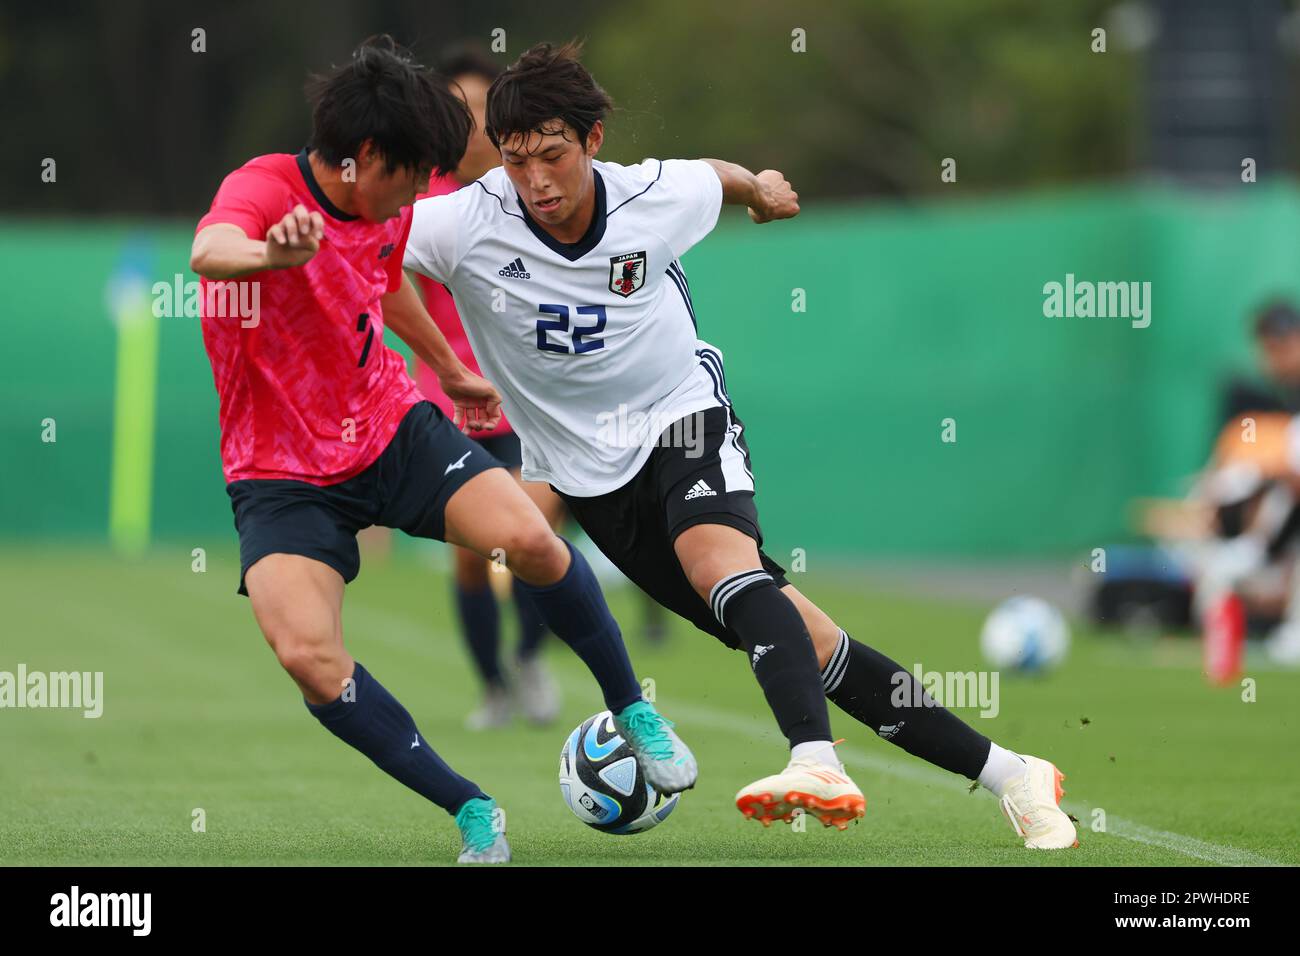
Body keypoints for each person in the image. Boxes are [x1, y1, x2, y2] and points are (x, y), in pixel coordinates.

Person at [403, 40, 1077, 848]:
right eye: (517, 163)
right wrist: (446, 365)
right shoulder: (467, 221)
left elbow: (711, 176)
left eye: (553, 156)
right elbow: (375, 259)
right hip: (587, 476)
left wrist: (759, 188)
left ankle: (815, 759)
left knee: (721, 561)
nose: (537, 182)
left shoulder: (651, 195)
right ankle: (1013, 773)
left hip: (682, 413)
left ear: (592, 141)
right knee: (811, 642)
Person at [188, 37, 696, 865]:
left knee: (532, 539)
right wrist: (271, 253)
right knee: (310, 659)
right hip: (279, 475)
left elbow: (385, 284)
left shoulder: (382, 213)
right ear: (366, 156)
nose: (424, 190)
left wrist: (453, 371)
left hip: (390, 428)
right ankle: (471, 808)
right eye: (413, 171)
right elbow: (209, 250)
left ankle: (633, 709)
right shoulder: (264, 189)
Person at [412, 46, 563, 729]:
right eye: (456, 111)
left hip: (532, 402)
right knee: (476, 560)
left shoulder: (537, 192)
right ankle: (494, 685)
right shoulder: (422, 203)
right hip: (454, 404)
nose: (470, 125)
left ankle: (531, 655)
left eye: (479, 110)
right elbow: (381, 280)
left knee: (534, 532)